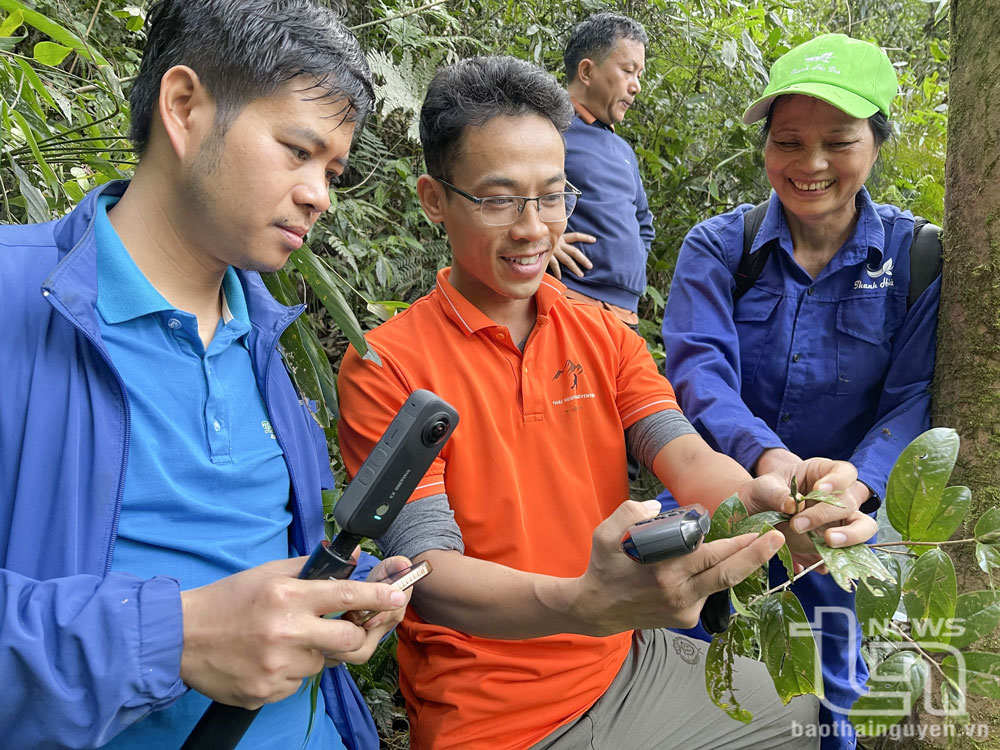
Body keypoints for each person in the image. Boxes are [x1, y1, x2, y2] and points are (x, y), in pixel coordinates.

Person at [337, 54, 879, 750]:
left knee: (805, 718)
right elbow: (428, 569)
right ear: (434, 199)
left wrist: (769, 501)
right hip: (495, 714)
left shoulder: (599, 331)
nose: (534, 227)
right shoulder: (387, 365)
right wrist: (580, 604)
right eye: (499, 199)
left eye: (552, 196)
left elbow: (682, 452)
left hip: (621, 658)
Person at [0, 2, 412, 748]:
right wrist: (174, 638)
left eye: (332, 171)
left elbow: (246, 566)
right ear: (185, 107)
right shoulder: (16, 300)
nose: (319, 195)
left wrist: (341, 595)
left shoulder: (262, 339)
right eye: (297, 150)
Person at [659, 33, 939, 750]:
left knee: (833, 696)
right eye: (788, 142)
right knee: (679, 669)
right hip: (721, 497)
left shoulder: (917, 257)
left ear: (876, 144)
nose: (810, 164)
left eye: (838, 142)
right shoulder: (719, 248)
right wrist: (767, 458)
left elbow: (913, 398)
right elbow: (700, 374)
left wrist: (860, 483)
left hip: (840, 523)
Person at [547, 12, 653, 330]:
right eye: (628, 71)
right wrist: (545, 241)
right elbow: (510, 196)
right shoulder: (550, 130)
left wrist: (631, 259)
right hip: (572, 301)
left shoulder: (622, 150)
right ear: (587, 71)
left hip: (626, 315)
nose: (636, 86)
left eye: (639, 75)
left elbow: (643, 223)